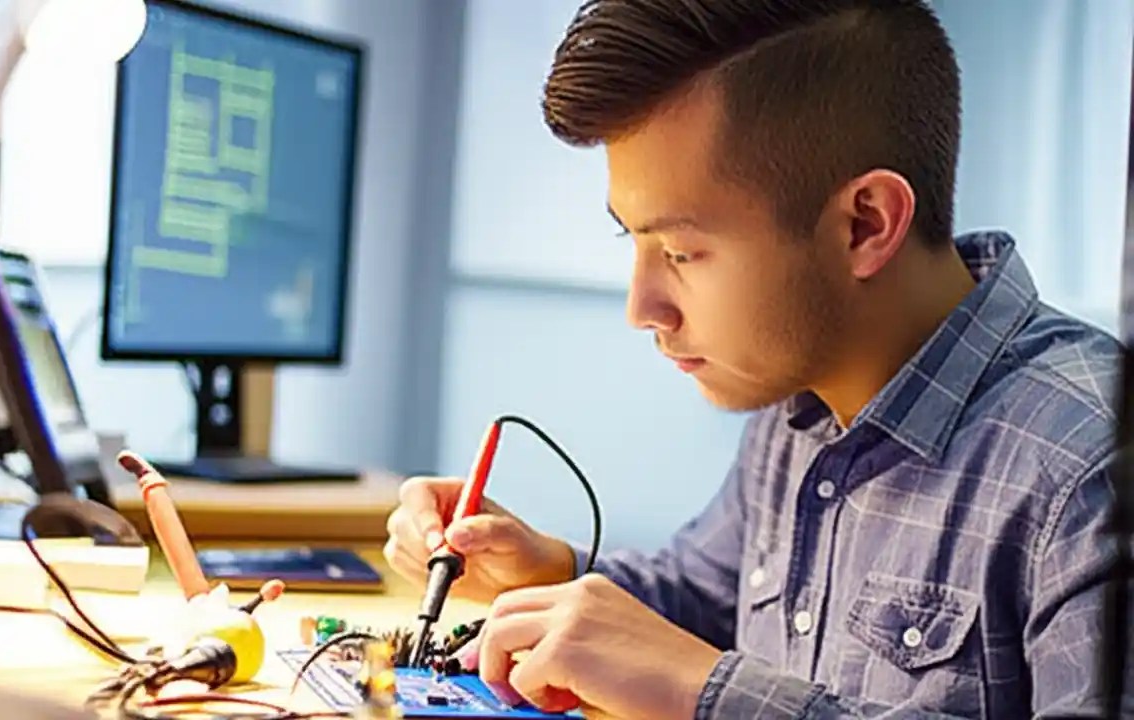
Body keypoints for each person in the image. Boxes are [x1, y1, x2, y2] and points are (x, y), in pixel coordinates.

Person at [384, 0, 1133, 718]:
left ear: (864, 225)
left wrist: (708, 692)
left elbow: (696, 670)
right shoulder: (799, 398)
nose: (641, 308)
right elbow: (703, 598)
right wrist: (548, 569)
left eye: (680, 251)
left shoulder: (1094, 464)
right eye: (633, 241)